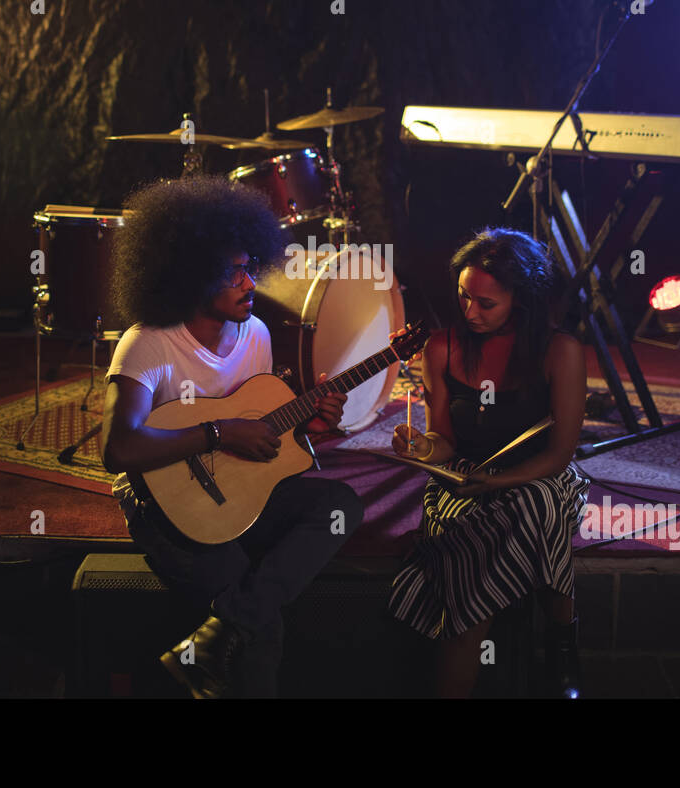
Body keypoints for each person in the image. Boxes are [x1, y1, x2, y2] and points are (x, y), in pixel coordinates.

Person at [100, 176, 363, 698]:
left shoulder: (256, 334)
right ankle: (228, 631)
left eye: (250, 268)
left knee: (340, 505)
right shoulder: (146, 344)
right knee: (265, 629)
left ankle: (221, 627)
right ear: (191, 277)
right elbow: (119, 450)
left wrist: (311, 424)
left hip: (237, 490)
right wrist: (218, 433)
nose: (251, 283)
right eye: (235, 273)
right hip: (164, 506)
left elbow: (257, 425)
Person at [388, 227, 590, 698]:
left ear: (520, 299)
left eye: (486, 304)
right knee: (518, 514)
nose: (470, 313)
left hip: (543, 477)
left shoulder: (560, 350)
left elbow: (560, 455)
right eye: (463, 298)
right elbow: (444, 441)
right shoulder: (441, 347)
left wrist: (498, 481)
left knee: (536, 502)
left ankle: (551, 643)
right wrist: (422, 448)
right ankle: (561, 641)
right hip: (464, 480)